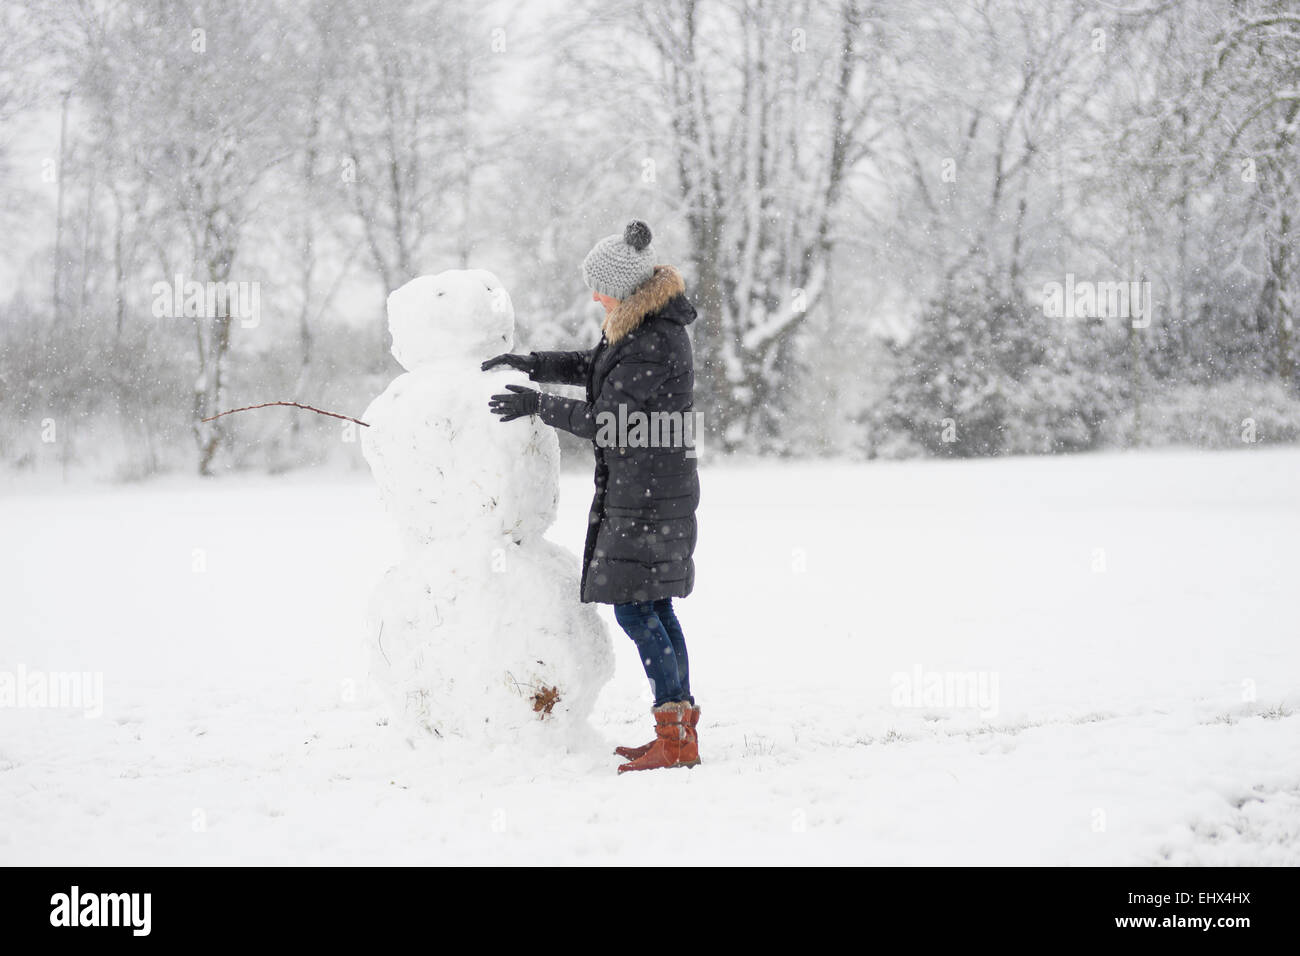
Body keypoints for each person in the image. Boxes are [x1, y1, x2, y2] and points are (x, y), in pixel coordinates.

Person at [483, 220, 701, 774]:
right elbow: (597, 367)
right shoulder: (640, 327)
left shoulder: (653, 339)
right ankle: (677, 734)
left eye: (601, 288)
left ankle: (675, 737)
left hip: (649, 494)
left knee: (637, 607)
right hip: (649, 486)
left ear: (624, 287)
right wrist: (535, 364)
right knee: (654, 605)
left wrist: (539, 405)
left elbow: (608, 418)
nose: (596, 297)